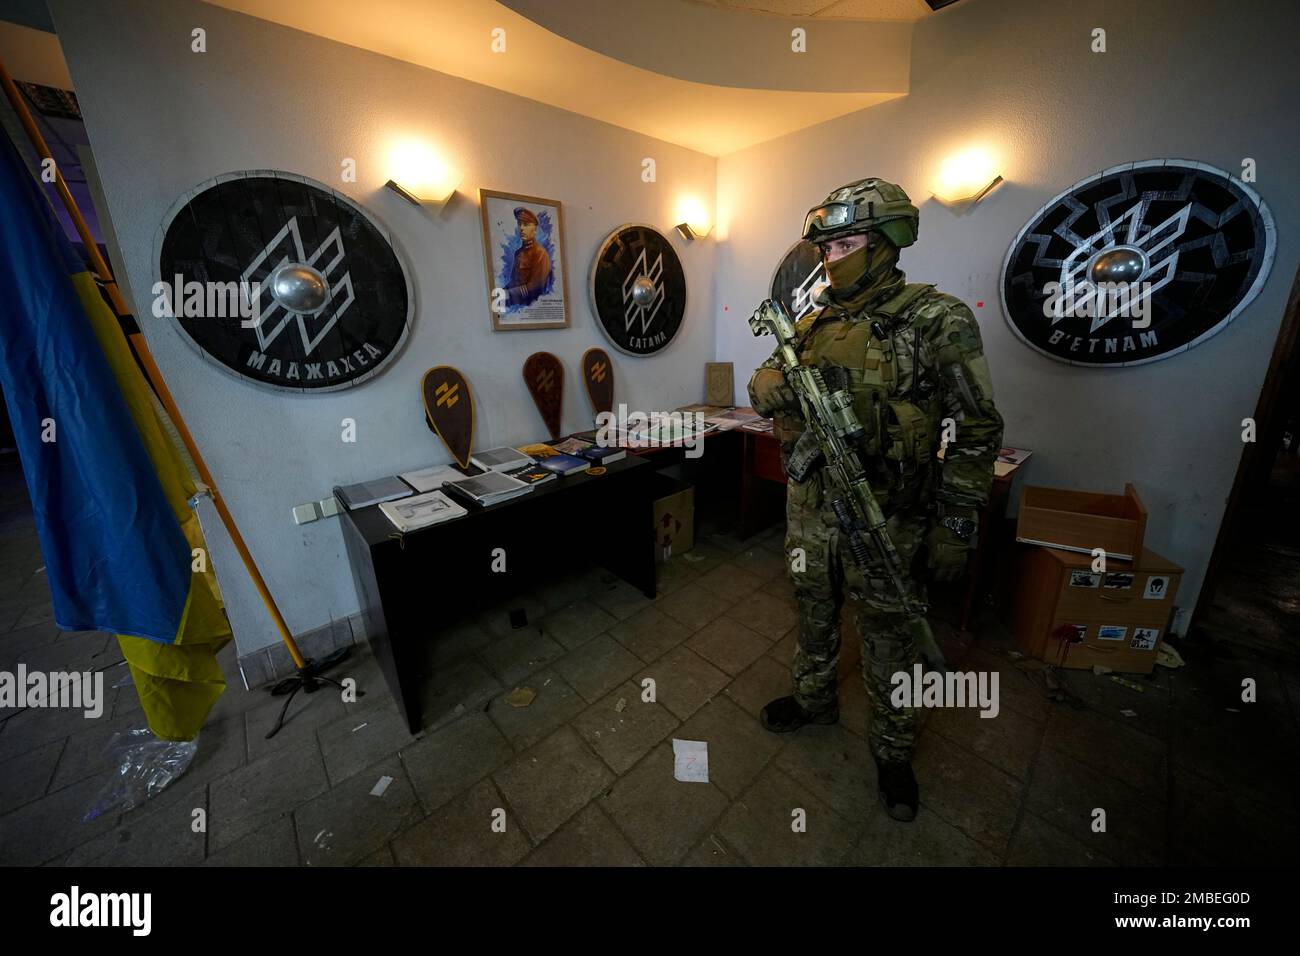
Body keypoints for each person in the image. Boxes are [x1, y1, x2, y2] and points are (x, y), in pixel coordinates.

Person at [747, 178, 1003, 822]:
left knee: (891, 638)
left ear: (887, 244)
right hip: (811, 509)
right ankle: (814, 700)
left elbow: (976, 428)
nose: (831, 259)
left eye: (847, 244)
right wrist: (771, 384)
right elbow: (763, 385)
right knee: (811, 610)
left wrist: (956, 522)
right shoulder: (812, 322)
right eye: (825, 248)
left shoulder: (936, 320)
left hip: (890, 514)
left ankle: (892, 749)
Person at [505, 206, 553, 307]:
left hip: (530, 306)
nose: (521, 228)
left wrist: (509, 293)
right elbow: (513, 281)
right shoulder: (518, 253)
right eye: (519, 224)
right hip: (515, 305)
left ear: (535, 230)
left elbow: (536, 286)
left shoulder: (540, 254)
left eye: (526, 225)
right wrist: (503, 291)